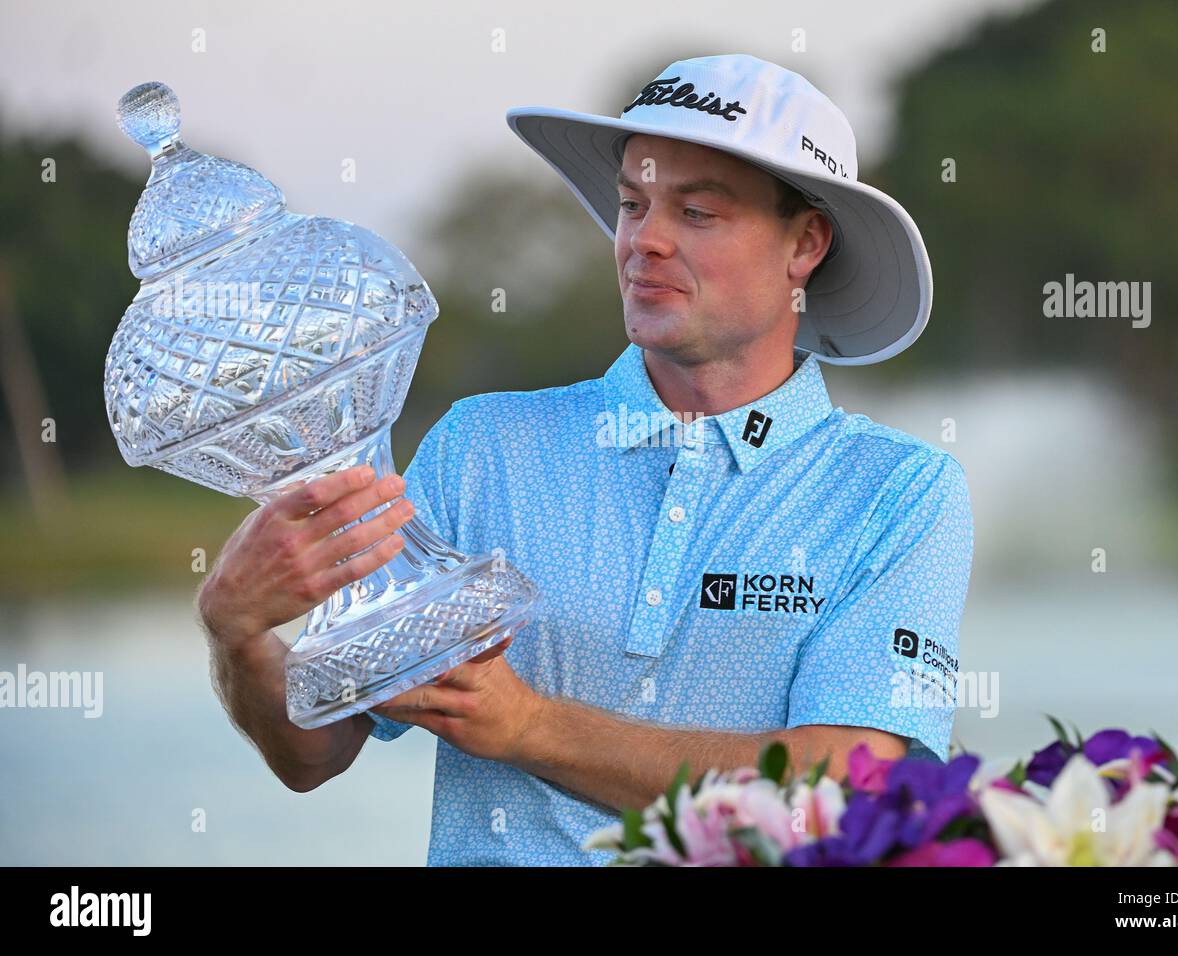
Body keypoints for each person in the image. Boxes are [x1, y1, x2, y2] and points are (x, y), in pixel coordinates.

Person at [197, 53, 974, 866]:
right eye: (633, 205)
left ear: (804, 244)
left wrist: (531, 727)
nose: (645, 242)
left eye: (698, 212)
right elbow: (316, 753)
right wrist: (238, 631)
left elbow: (844, 791)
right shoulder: (481, 446)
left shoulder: (900, 491)